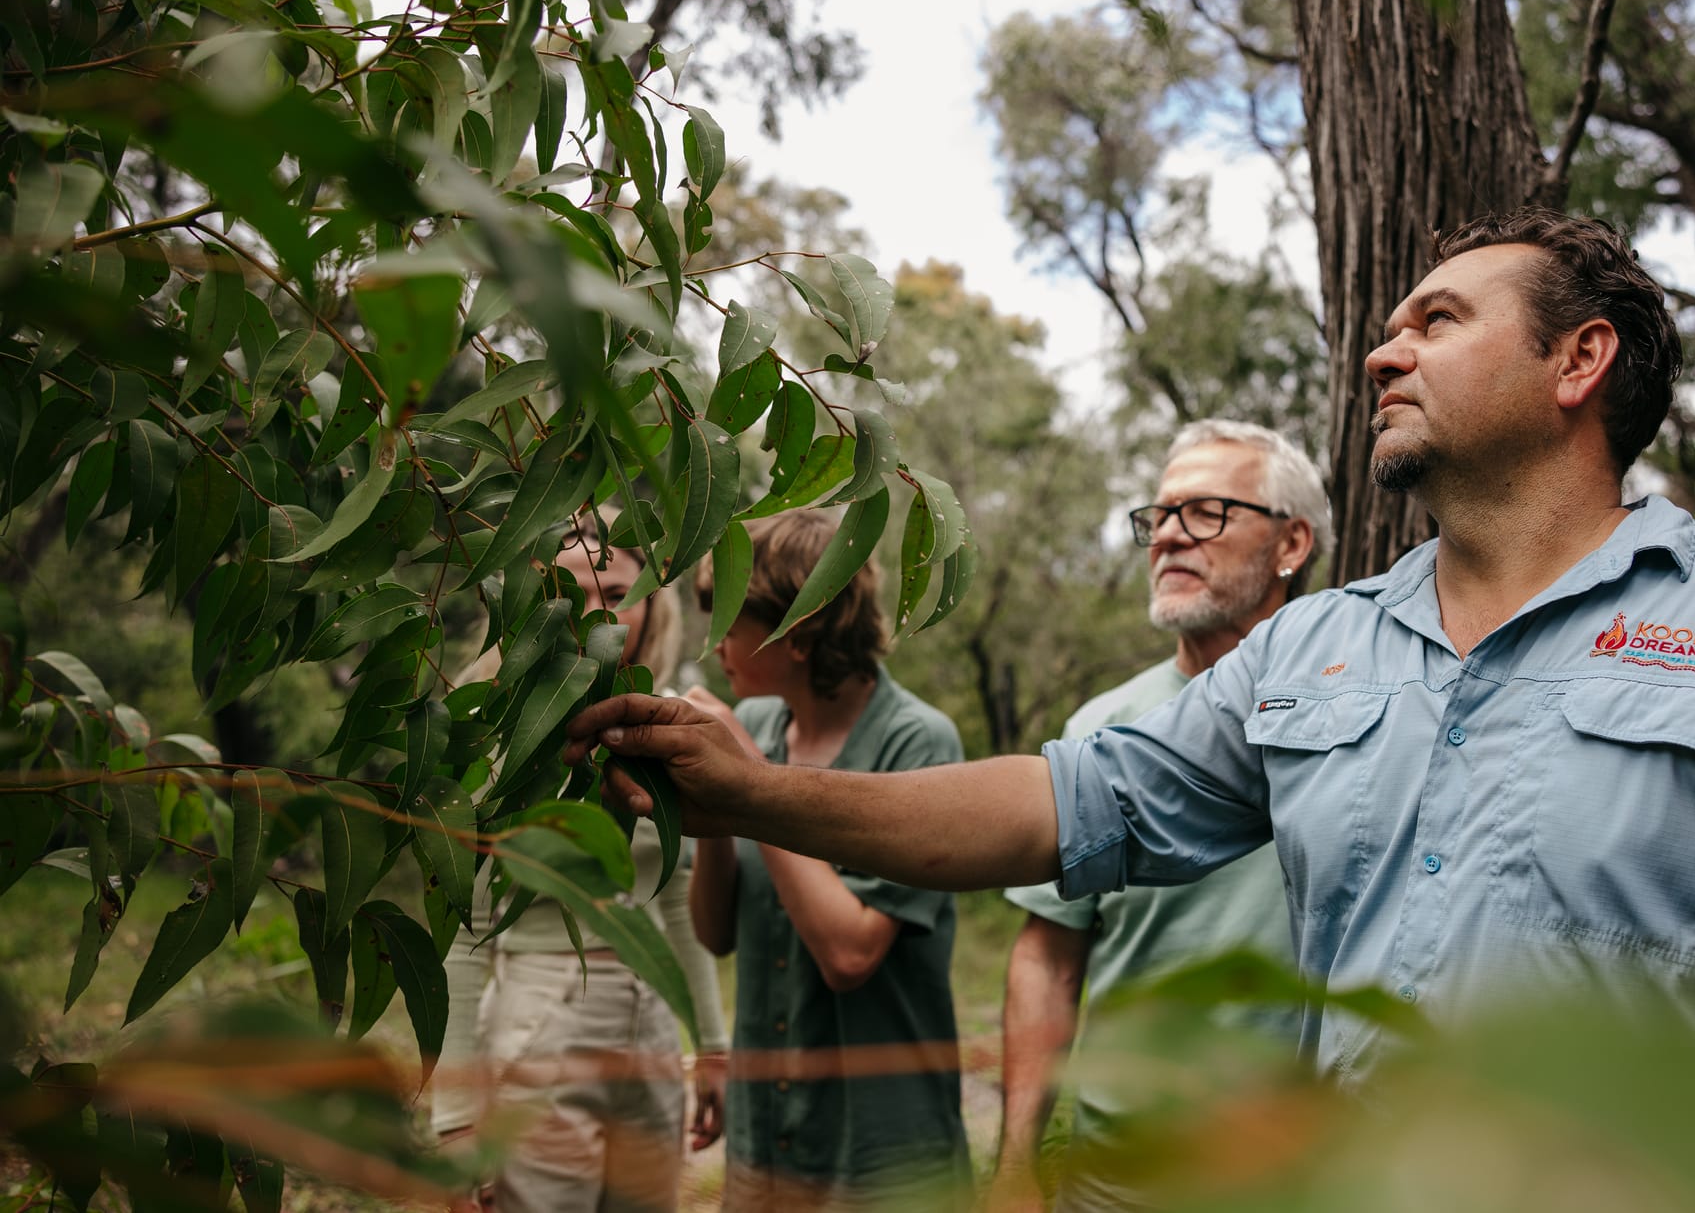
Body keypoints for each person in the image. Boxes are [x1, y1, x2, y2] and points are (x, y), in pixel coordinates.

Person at [570, 209, 1695, 1178]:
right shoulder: (1314, 651)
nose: (1382, 346)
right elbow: (1061, 804)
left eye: (1439, 319)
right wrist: (761, 792)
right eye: (1391, 322)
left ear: (1579, 360)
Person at [990, 419, 1324, 1212]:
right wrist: (1013, 1166)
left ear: (1292, 543)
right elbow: (1047, 960)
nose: (1168, 536)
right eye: (1159, 516)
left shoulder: (1350, 714)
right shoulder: (1099, 727)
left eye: (1205, 512)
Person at [432, 525, 730, 1213]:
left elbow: (677, 895)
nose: (599, 617)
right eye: (568, 594)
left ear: (655, 605)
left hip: (652, 1023)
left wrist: (711, 1044)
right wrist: (453, 1114)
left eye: (621, 593)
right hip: (543, 1019)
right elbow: (462, 928)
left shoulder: (668, 732)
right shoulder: (495, 731)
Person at [684, 508, 972, 1211]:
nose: (714, 643)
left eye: (731, 618)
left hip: (880, 1158)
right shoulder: (754, 726)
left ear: (801, 631)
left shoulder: (918, 745)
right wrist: (710, 806)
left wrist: (750, 784)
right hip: (764, 1146)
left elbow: (850, 955)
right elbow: (715, 934)